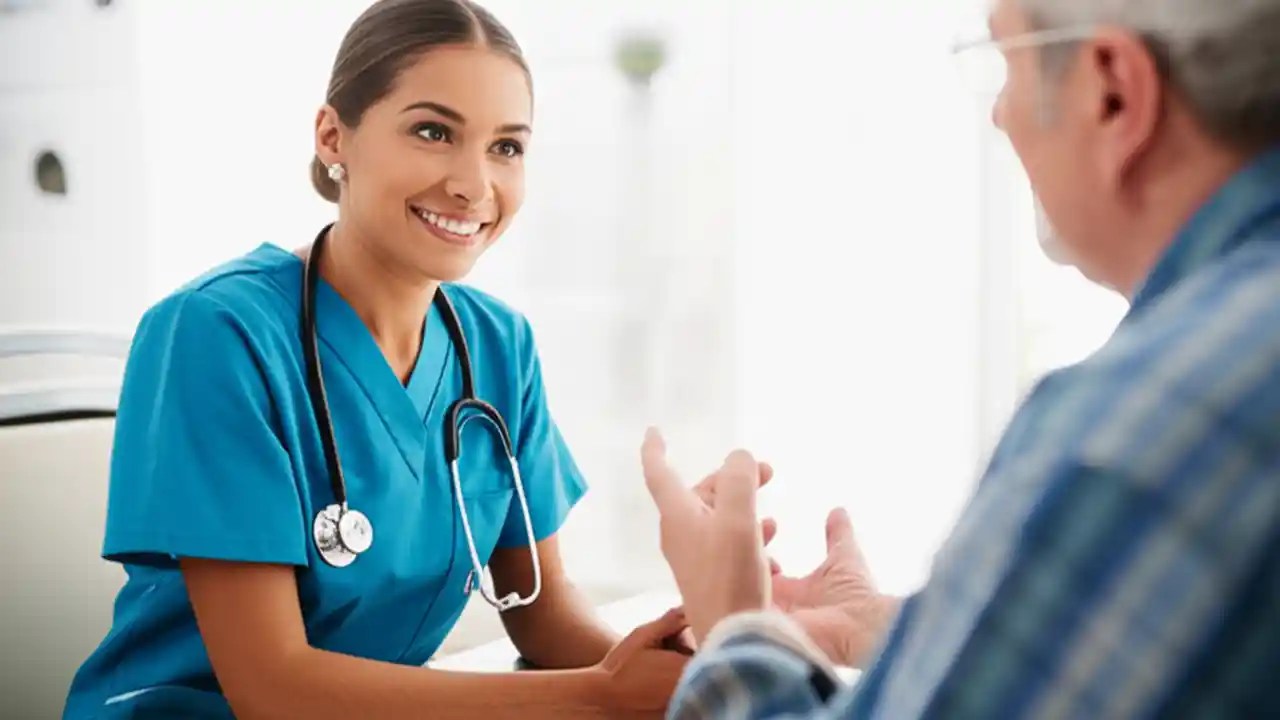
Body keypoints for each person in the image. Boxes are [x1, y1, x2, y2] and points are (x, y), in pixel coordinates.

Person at [641, 0, 1280, 717]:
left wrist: (733, 626)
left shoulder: (1143, 426)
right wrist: (903, 636)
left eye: (1005, 61)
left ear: (1114, 94)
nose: (1000, 115)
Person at [62, 1, 696, 717]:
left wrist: (689, 659)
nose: (473, 185)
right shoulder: (215, 335)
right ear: (334, 135)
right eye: (433, 132)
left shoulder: (497, 345)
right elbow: (273, 687)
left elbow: (542, 618)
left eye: (506, 147)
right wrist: (602, 696)